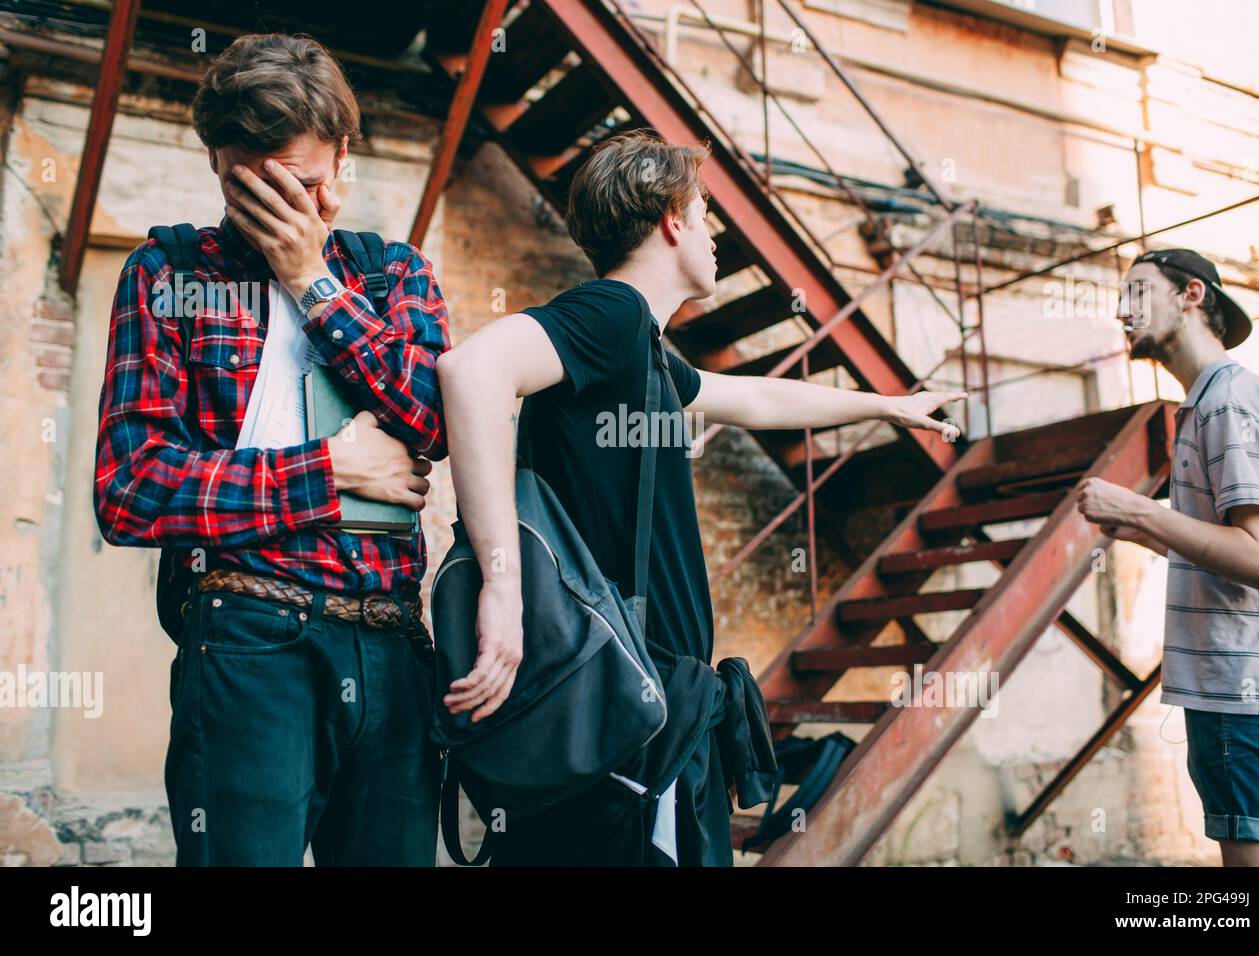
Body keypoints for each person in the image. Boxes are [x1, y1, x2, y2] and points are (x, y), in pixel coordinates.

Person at [436, 130, 965, 865]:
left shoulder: (642, 349)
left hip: (645, 714)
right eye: (707, 214)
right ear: (672, 222)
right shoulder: (612, 316)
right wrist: (503, 581)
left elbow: (753, 399)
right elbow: (471, 371)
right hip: (624, 711)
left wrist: (886, 407)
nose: (714, 236)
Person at [92, 34, 450, 866]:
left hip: (395, 643)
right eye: (252, 186)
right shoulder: (168, 270)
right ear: (217, 164)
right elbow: (132, 487)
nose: (288, 209)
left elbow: (433, 422)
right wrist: (328, 473)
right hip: (249, 633)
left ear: (344, 155)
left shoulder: (393, 275)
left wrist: (309, 277)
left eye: (307, 184)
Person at [1077, 248, 1259, 865]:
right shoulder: (1224, 399)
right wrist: (1148, 532)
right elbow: (1244, 560)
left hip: (1248, 698)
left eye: (1137, 291)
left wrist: (1141, 510)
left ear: (1192, 295)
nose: (1122, 312)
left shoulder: (1223, 403)